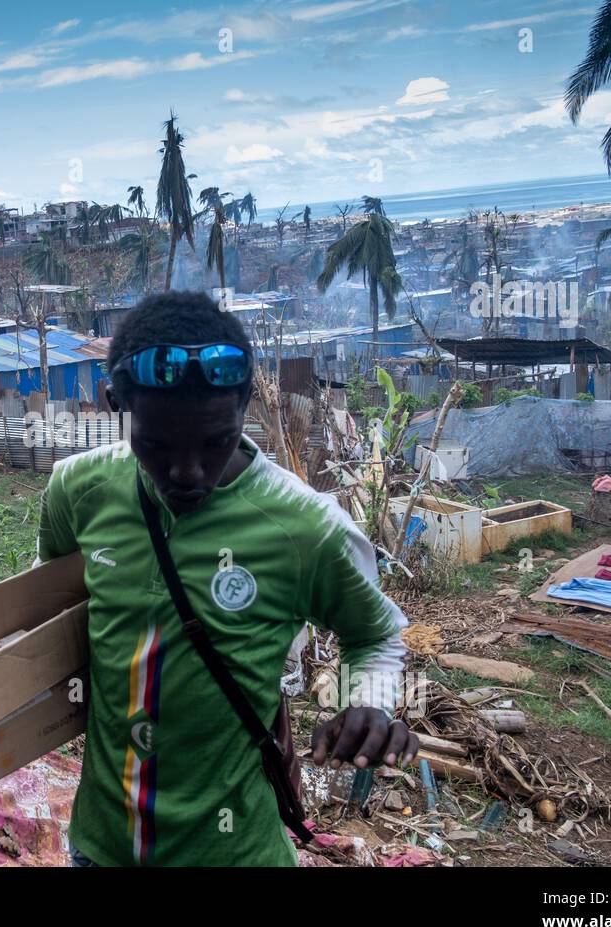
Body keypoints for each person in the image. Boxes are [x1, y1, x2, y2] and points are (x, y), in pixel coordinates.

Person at [36, 292, 417, 867]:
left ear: (245, 406)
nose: (187, 473)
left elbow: (377, 634)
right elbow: (53, 608)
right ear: (118, 404)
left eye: (214, 443)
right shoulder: (77, 490)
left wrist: (369, 703)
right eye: (157, 445)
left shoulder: (303, 527)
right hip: (100, 847)